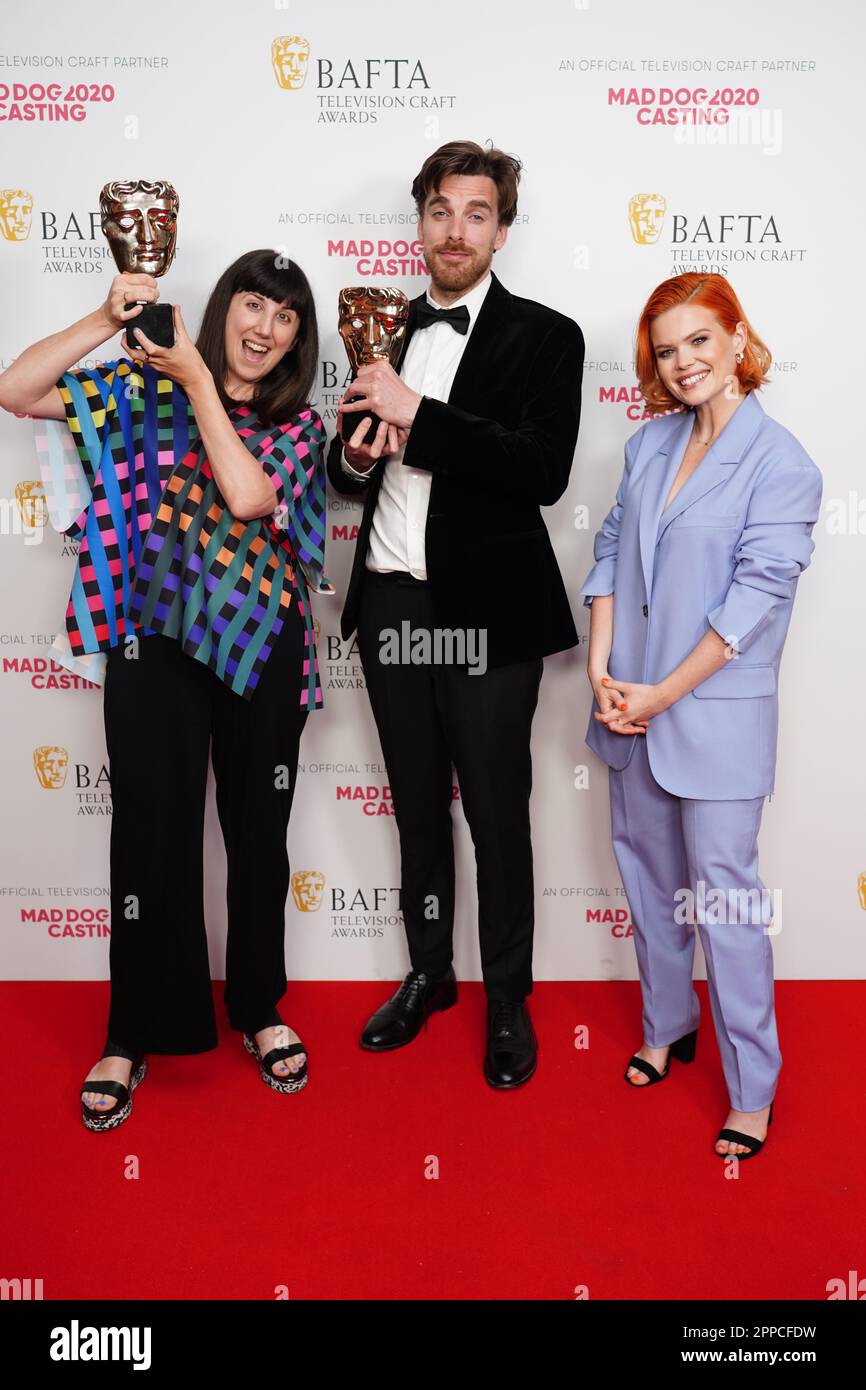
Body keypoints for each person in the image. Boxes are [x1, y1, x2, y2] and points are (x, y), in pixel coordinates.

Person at [0, 249, 330, 1128]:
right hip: (154, 637)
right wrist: (111, 319)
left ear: (298, 338)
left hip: (264, 642)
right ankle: (130, 1031)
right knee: (150, 835)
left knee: (259, 836)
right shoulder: (136, 389)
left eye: (285, 316)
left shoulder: (300, 426)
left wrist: (197, 383)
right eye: (252, 304)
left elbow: (250, 496)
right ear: (223, 308)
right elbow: (18, 388)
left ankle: (258, 1010)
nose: (262, 327)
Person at [327, 140, 584, 1088]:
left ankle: (508, 998)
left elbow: (541, 469)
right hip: (392, 606)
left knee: (494, 810)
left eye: (476, 214)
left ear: (501, 230)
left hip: (483, 618)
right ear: (421, 221)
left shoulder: (547, 336)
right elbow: (344, 474)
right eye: (439, 210)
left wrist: (418, 412)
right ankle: (429, 975)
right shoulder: (380, 330)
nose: (454, 229)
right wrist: (356, 454)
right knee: (416, 809)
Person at [580, 273, 822, 1159]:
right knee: (647, 884)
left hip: (708, 717)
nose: (682, 363)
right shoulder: (648, 447)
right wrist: (604, 669)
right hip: (628, 706)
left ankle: (752, 1088)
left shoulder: (784, 464)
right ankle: (667, 1025)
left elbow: (749, 606)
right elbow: (610, 554)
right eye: (666, 348)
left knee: (728, 906)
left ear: (736, 339)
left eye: (698, 341)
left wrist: (659, 693)